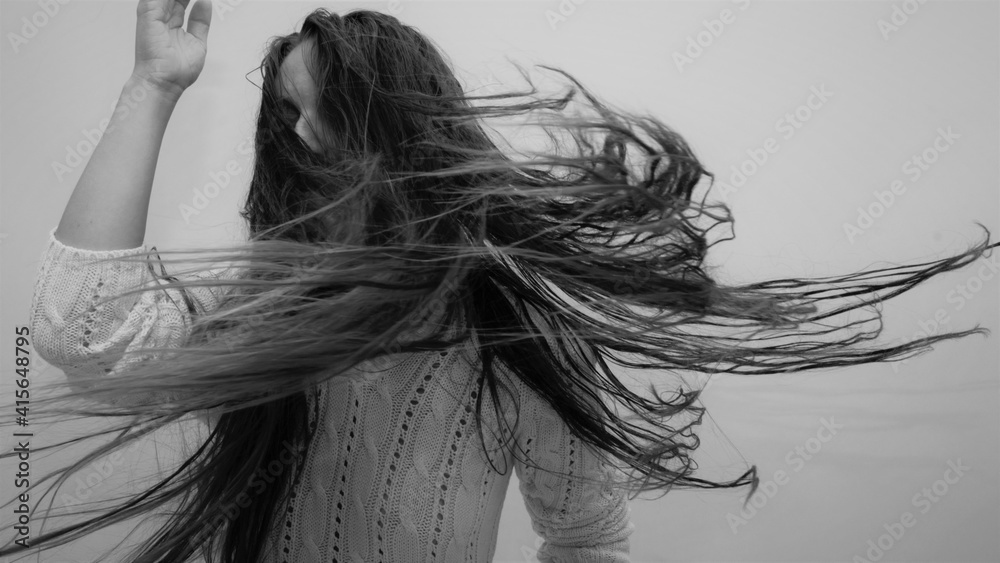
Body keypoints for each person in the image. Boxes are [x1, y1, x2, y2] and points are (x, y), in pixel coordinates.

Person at [2, 1, 996, 562]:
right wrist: (154, 86)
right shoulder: (270, 318)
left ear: (397, 121)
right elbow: (78, 327)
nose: (301, 141)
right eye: (287, 116)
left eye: (328, 110)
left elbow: (585, 535)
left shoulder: (513, 327)